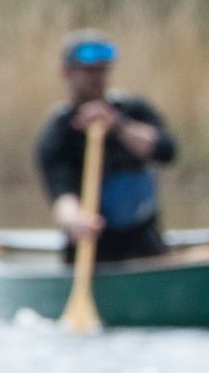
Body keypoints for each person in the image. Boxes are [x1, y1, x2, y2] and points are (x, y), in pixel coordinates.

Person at [35, 29, 176, 265]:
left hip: (144, 242)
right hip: (91, 248)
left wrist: (117, 125)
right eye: (89, 70)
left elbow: (166, 151)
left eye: (103, 69)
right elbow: (61, 194)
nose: (97, 77)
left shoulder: (133, 111)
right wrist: (76, 221)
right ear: (66, 72)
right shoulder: (57, 134)